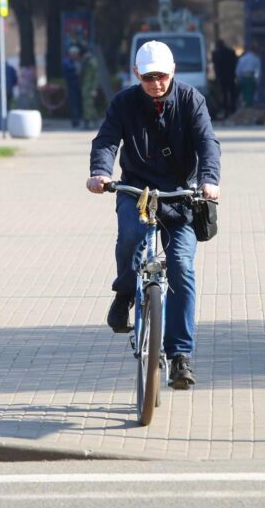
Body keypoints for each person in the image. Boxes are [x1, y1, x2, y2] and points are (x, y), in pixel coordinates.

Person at [86, 41, 221, 390]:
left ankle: (180, 356)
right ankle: (125, 293)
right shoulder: (124, 103)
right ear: (137, 75)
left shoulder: (191, 100)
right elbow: (106, 141)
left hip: (180, 194)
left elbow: (207, 142)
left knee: (182, 266)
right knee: (130, 237)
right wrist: (101, 173)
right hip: (138, 192)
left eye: (161, 76)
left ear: (172, 71)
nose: (156, 84)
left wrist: (209, 180)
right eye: (148, 78)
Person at [212, 39, 238, 117]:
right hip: (231, 76)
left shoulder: (216, 54)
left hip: (221, 78)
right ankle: (233, 109)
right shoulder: (231, 52)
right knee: (232, 93)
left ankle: (226, 111)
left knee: (224, 94)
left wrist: (217, 77)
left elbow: (216, 67)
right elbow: (235, 64)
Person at [79, 45, 101, 127]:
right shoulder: (86, 61)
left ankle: (89, 122)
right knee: (88, 104)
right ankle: (93, 121)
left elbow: (95, 76)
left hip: (90, 87)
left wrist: (94, 89)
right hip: (85, 86)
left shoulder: (92, 61)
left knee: (88, 105)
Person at [63, 45, 83, 128]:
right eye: (75, 54)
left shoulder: (78, 61)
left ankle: (79, 119)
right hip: (72, 85)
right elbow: (66, 74)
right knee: (73, 103)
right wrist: (75, 72)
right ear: (71, 54)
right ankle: (75, 121)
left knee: (79, 103)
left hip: (79, 85)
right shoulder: (67, 62)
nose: (77, 55)